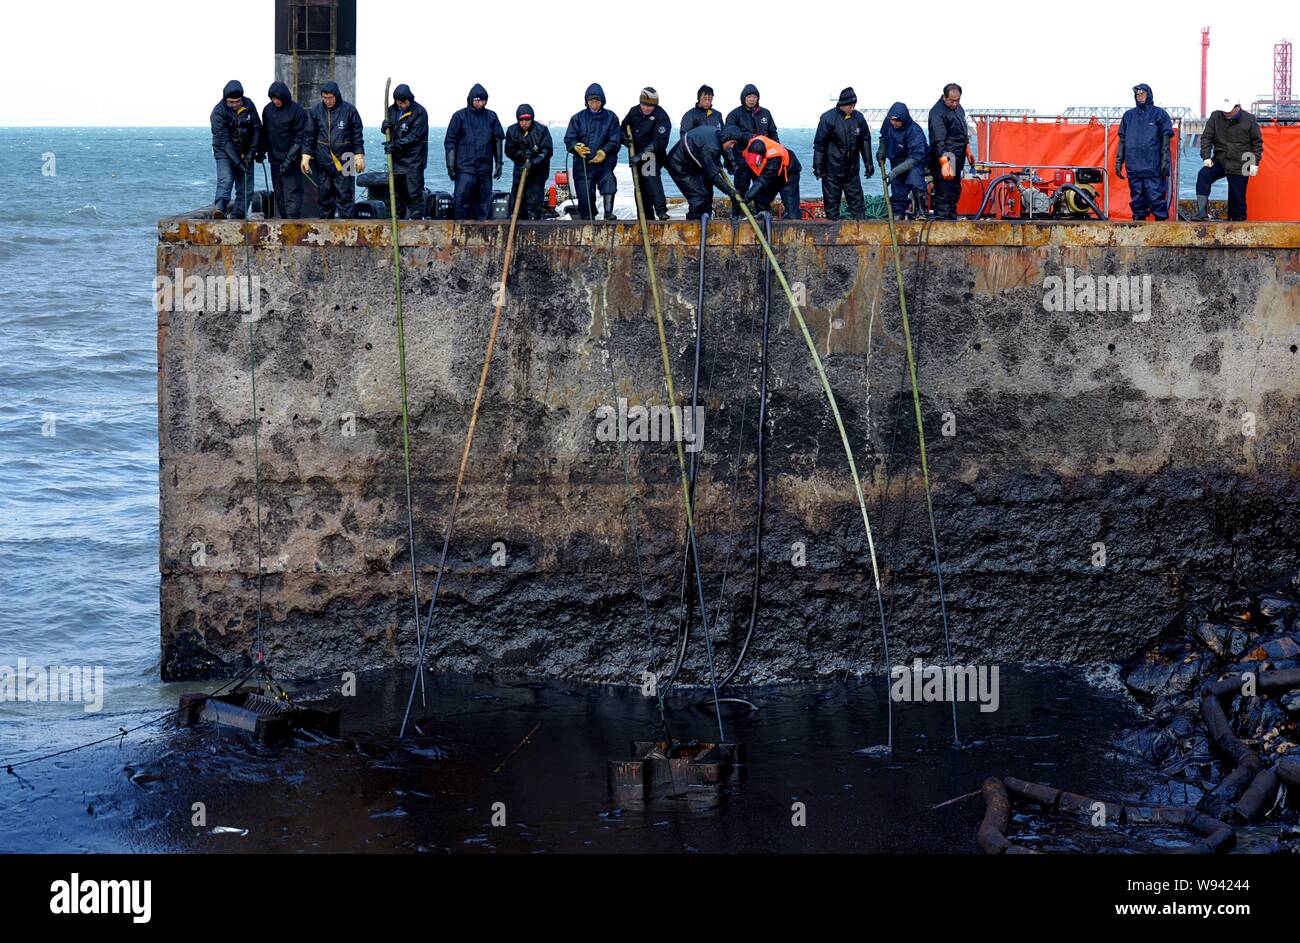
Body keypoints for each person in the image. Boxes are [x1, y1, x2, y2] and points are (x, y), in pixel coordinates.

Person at [303, 80, 365, 219]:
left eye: (330, 98)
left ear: (336, 96)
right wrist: (305, 155)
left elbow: (357, 135)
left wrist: (359, 155)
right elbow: (309, 135)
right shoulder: (316, 112)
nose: (327, 101)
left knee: (346, 197)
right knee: (324, 197)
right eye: (325, 98)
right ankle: (325, 231)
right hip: (323, 158)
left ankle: (347, 230)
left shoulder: (350, 110)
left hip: (347, 158)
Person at [1195, 97, 1264, 221]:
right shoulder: (1216, 116)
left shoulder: (1249, 119)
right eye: (1224, 110)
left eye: (1229, 110)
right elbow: (1206, 138)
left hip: (1242, 163)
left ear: (1238, 107)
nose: (1226, 113)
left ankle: (1239, 224)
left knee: (1238, 199)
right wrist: (1206, 157)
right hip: (1220, 159)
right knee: (1203, 175)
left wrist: (1254, 163)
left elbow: (1257, 143)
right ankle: (1201, 213)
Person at [445, 84, 505, 221]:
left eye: (483, 100)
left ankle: (483, 232)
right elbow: (450, 142)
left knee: (484, 203)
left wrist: (499, 163)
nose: (480, 103)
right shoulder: (459, 116)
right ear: (471, 100)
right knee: (461, 201)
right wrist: (450, 166)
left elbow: (497, 140)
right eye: (478, 100)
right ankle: (460, 230)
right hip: (464, 168)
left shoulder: (491, 116)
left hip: (484, 168)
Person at [1115, 83, 1174, 221]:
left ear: (1149, 94)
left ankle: (1161, 227)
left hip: (1153, 167)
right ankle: (1138, 226)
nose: (1139, 97)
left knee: (1156, 198)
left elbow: (1166, 141)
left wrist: (1165, 163)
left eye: (1142, 94)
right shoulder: (1128, 116)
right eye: (1137, 94)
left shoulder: (1160, 114)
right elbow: (1122, 141)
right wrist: (1119, 162)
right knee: (1137, 199)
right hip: (1134, 166)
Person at [813, 87, 873, 220]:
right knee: (832, 206)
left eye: (854, 105)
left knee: (858, 205)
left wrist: (869, 163)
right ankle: (833, 233)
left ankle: (861, 230)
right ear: (842, 104)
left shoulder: (858, 117)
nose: (852, 108)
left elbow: (865, 140)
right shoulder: (828, 118)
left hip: (852, 170)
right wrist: (817, 165)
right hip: (832, 170)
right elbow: (819, 144)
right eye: (850, 106)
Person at [564, 83, 622, 220]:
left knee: (608, 180)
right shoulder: (577, 118)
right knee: (585, 196)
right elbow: (569, 139)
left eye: (597, 101)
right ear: (586, 102)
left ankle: (608, 213)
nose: (594, 104)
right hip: (583, 163)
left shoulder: (611, 117)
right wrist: (576, 147)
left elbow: (615, 139)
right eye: (591, 101)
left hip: (604, 162)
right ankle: (588, 217)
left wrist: (604, 152)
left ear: (602, 101)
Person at [666, 124, 746, 219]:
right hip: (678, 164)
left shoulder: (717, 133)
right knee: (699, 196)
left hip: (693, 164)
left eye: (735, 144)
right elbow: (713, 176)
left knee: (707, 194)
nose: (732, 146)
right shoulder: (711, 148)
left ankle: (705, 218)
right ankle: (694, 222)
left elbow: (724, 150)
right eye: (732, 143)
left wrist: (729, 163)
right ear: (726, 137)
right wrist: (731, 192)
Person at [725, 84, 779, 218]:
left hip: (762, 161)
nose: (752, 99)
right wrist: (750, 137)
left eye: (754, 96)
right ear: (744, 98)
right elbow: (730, 135)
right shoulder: (734, 114)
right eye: (749, 96)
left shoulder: (765, 113)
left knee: (762, 189)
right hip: (742, 160)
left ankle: (763, 215)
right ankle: (736, 215)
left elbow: (773, 134)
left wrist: (776, 154)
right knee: (740, 189)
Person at [210, 80, 262, 219]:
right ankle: (220, 208)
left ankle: (238, 214)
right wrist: (238, 163)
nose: (234, 105)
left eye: (237, 101)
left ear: (242, 99)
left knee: (246, 186)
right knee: (226, 180)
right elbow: (224, 140)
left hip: (246, 150)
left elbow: (257, 128)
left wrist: (252, 152)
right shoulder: (218, 112)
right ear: (225, 100)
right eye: (231, 102)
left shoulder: (249, 104)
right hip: (224, 152)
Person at [622, 87, 672, 220]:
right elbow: (622, 127)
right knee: (639, 186)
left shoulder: (662, 116)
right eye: (644, 105)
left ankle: (661, 210)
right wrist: (624, 138)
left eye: (650, 106)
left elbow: (660, 142)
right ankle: (645, 217)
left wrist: (642, 155)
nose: (646, 108)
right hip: (635, 154)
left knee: (650, 177)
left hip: (652, 154)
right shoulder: (633, 112)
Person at [259, 81, 307, 219]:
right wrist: (261, 150)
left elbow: (300, 138)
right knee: (279, 196)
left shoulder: (297, 111)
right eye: (272, 98)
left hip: (291, 162)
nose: (275, 101)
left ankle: (293, 225)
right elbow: (266, 133)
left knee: (292, 196)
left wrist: (289, 160)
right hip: (275, 160)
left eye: (277, 98)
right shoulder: (267, 110)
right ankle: (285, 225)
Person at [381, 83, 429, 219]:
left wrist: (395, 144)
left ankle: (416, 219)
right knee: (396, 194)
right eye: (398, 102)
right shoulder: (392, 110)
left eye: (403, 102)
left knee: (414, 193)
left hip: (414, 160)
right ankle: (397, 219)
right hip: (396, 160)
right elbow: (388, 130)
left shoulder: (420, 112)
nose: (401, 105)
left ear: (409, 99)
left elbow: (414, 137)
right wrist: (384, 127)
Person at [876, 102, 928, 219]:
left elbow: (915, 157)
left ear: (903, 119)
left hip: (914, 161)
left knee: (915, 179)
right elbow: (883, 136)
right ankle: (897, 216)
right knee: (898, 190)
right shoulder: (888, 123)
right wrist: (882, 150)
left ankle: (920, 211)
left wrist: (895, 172)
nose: (894, 123)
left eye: (897, 121)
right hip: (896, 159)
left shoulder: (914, 131)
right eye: (892, 120)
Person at [737, 132, 802, 222]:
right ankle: (764, 218)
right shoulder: (751, 145)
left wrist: (748, 197)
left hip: (788, 174)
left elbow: (763, 180)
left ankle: (793, 220)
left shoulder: (774, 158)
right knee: (760, 197)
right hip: (771, 174)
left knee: (792, 212)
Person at [504, 104, 553, 220]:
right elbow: (509, 150)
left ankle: (534, 224)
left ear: (532, 119)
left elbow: (547, 151)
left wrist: (533, 162)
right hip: (520, 170)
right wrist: (520, 154)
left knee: (534, 202)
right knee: (518, 202)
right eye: (521, 120)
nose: (524, 123)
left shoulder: (542, 130)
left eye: (527, 120)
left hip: (538, 172)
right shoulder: (512, 131)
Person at [927, 83, 968, 220]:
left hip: (958, 157)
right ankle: (942, 224)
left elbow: (963, 130)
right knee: (944, 194)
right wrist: (945, 164)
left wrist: (968, 150)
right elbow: (938, 141)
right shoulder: (937, 113)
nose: (955, 103)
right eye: (952, 100)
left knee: (954, 192)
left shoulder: (958, 108)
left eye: (958, 100)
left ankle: (952, 221)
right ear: (944, 97)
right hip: (945, 157)